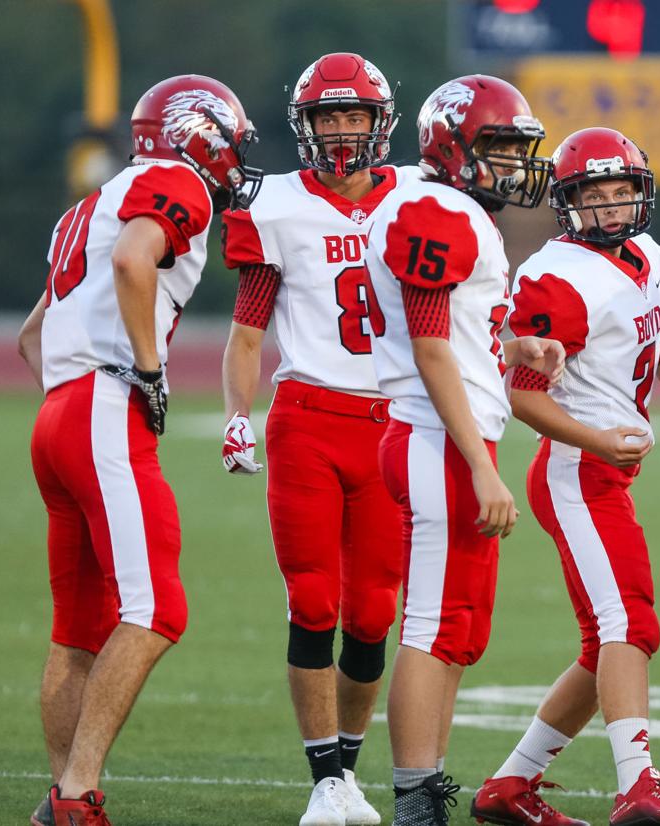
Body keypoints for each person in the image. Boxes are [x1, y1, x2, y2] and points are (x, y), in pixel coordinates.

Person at [470, 127, 660, 826]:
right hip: (574, 470)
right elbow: (522, 393)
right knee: (631, 624)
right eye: (595, 196)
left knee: (609, 642)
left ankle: (511, 786)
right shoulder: (558, 277)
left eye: (623, 191)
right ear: (569, 204)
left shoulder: (647, 256)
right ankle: (638, 788)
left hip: (606, 472)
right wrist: (597, 438)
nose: (612, 207)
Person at [18, 75, 261, 826]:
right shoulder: (175, 180)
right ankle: (77, 792)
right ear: (197, 133)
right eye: (229, 138)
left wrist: (80, 400)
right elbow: (132, 260)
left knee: (78, 629)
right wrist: (148, 375)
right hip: (102, 405)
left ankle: (64, 796)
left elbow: (31, 338)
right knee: (157, 608)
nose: (232, 156)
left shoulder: (86, 204)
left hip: (58, 412)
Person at [363, 75, 565, 826]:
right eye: (499, 146)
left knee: (454, 631)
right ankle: (417, 802)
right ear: (453, 145)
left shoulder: (453, 209)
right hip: (436, 437)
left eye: (518, 147)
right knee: (429, 628)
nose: (513, 163)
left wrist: (519, 343)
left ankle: (430, 785)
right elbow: (430, 348)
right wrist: (480, 466)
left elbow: (461, 328)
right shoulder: (435, 210)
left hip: (447, 434)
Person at [219, 52, 408, 826]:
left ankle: (349, 770)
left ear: (379, 124)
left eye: (353, 116)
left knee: (373, 612)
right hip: (307, 418)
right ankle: (324, 780)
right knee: (314, 600)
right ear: (306, 126)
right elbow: (245, 332)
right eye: (327, 117)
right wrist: (237, 411)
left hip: (393, 424)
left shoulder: (421, 199)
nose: (340, 130)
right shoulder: (280, 207)